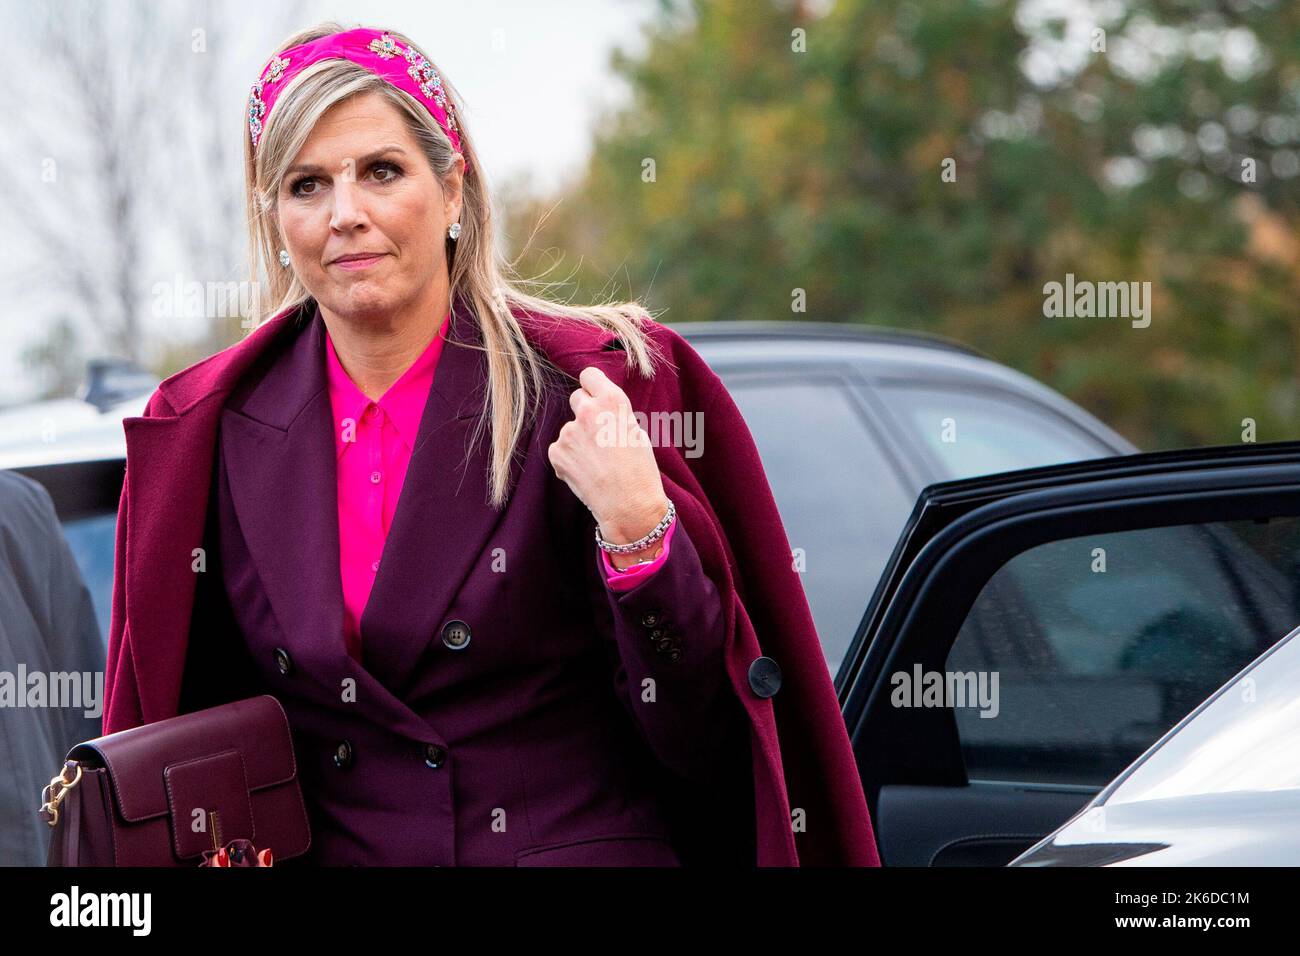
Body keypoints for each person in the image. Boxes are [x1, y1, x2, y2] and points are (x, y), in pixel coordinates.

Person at [103, 21, 880, 866]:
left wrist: (640, 537)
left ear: (453, 188)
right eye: (307, 185)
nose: (345, 214)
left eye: (381, 171)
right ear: (274, 215)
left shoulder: (594, 387)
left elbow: (707, 737)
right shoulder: (207, 430)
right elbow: (179, 743)